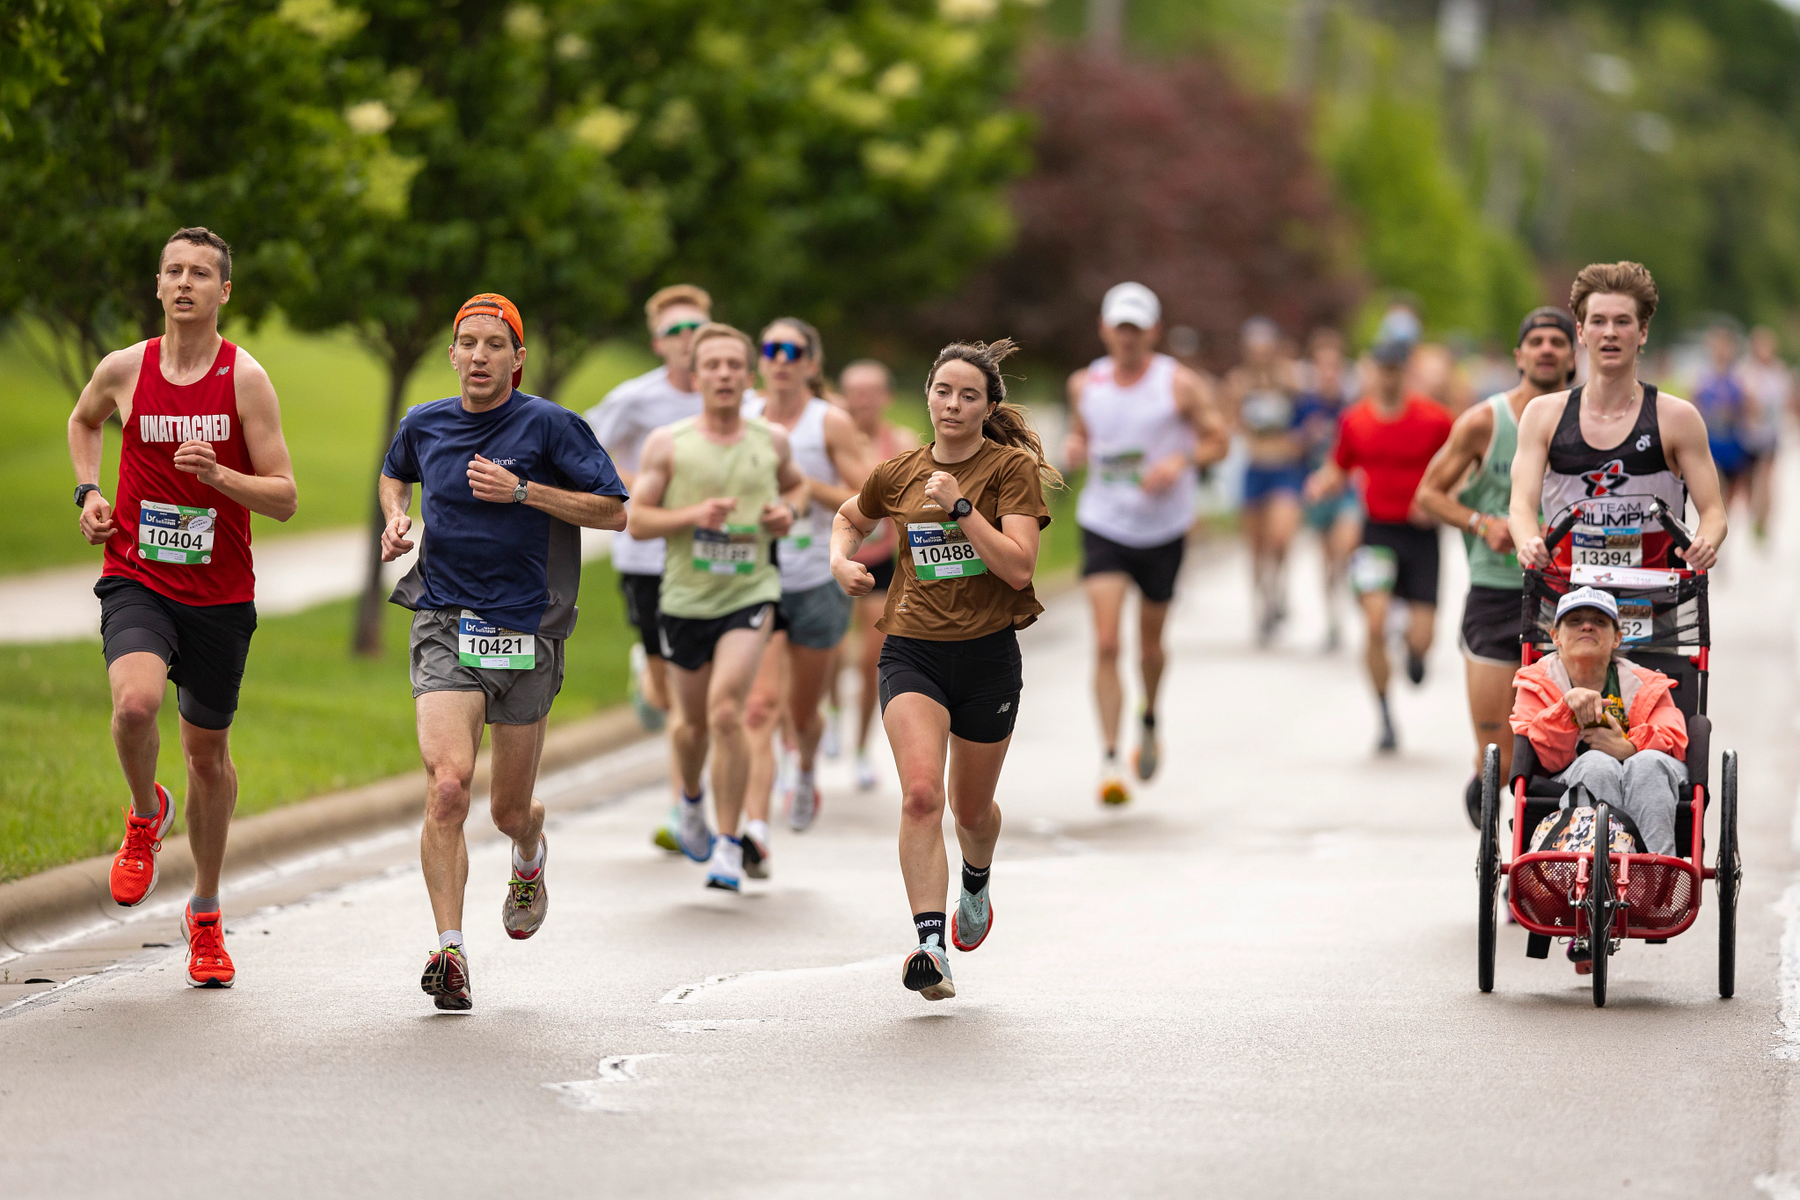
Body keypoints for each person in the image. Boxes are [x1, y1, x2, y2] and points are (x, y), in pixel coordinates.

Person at [379, 293, 627, 1011]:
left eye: (495, 344)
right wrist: (397, 518)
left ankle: (529, 849)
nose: (480, 356)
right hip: (445, 620)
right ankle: (450, 950)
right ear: (452, 354)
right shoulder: (423, 423)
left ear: (518, 359)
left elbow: (615, 509)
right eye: (468, 343)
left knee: (505, 809)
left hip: (528, 628)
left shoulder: (550, 425)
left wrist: (525, 492)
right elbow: (396, 470)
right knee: (449, 785)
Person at [69, 227, 298, 990]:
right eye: (174, 271)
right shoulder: (126, 367)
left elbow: (286, 496)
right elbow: (83, 420)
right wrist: (91, 492)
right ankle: (144, 814)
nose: (185, 282)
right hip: (137, 575)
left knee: (207, 756)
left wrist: (223, 475)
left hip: (220, 595)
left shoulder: (246, 379)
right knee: (134, 707)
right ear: (159, 286)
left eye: (201, 272)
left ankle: (204, 913)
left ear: (224, 291)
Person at [830, 339, 1055, 1002]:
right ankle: (930, 946)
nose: (952, 405)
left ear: (988, 408)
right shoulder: (897, 471)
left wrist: (961, 507)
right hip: (913, 650)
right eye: (942, 391)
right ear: (926, 394)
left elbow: (1019, 567)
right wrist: (841, 560)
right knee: (921, 795)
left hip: (987, 655)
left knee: (971, 810)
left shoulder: (1008, 470)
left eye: (968, 396)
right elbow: (849, 517)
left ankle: (977, 880)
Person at [627, 323, 810, 893]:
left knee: (728, 710)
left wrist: (788, 514)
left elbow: (797, 489)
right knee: (691, 725)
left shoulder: (770, 440)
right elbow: (636, 520)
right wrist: (692, 516)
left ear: (747, 374)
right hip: (683, 598)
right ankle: (689, 800)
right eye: (714, 366)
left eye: (735, 364)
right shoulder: (669, 443)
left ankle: (729, 845)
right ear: (696, 375)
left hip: (750, 591)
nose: (725, 374)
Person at [1063, 282, 1227, 806]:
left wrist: (1180, 461)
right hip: (1104, 523)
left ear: (1152, 332)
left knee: (1150, 647)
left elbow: (1218, 439)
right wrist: (1075, 447)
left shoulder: (1178, 384)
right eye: (1119, 328)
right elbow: (1081, 437)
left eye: (1137, 329)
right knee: (1107, 643)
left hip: (1162, 528)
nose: (1127, 338)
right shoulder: (1084, 385)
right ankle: (1111, 760)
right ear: (1105, 329)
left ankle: (1149, 717)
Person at [1416, 307, 1578, 824]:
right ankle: (1488, 781)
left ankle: (1528, 872)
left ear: (1573, 355)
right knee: (1502, 756)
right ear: (1519, 355)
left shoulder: (1592, 424)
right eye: (1537, 341)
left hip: (1566, 597)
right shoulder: (1486, 421)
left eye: (1558, 341)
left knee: (1556, 750)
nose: (1547, 349)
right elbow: (1428, 494)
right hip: (1496, 592)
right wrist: (1483, 523)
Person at [736, 318, 873, 867]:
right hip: (757, 578)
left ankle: (808, 766)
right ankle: (755, 829)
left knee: (802, 711)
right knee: (759, 707)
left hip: (817, 576)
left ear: (812, 364)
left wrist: (802, 485)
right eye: (771, 348)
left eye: (793, 350)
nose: (781, 358)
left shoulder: (829, 423)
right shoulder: (743, 416)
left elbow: (871, 499)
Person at [582, 284, 710, 853]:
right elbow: (581, 447)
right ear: (659, 342)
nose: (688, 341)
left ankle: (683, 805)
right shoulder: (635, 399)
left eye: (697, 329)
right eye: (677, 331)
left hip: (710, 559)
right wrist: (633, 485)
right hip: (646, 556)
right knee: (666, 693)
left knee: (695, 696)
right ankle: (645, 668)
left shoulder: (729, 395)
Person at [1509, 261, 1726, 578]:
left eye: (1622, 321)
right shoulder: (1543, 415)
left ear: (1643, 332)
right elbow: (1520, 506)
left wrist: (1704, 543)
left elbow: (1713, 512)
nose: (1610, 332)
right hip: (1570, 602)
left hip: (1653, 600)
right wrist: (1528, 542)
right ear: (1581, 332)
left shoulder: (1678, 418)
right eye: (1598, 321)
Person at [1511, 586, 1687, 973]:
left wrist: (1628, 747)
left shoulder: (1642, 681)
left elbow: (1673, 736)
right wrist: (1564, 710)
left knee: (1648, 764)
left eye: (1598, 621)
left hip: (1644, 772)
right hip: (1571, 778)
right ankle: (1588, 892)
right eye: (1574, 621)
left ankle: (1657, 882)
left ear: (1617, 637)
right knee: (1596, 766)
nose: (1586, 626)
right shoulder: (1537, 682)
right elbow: (1541, 754)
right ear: (1555, 636)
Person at [1304, 317, 1452, 752]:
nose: (1386, 378)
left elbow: (1462, 466)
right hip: (1377, 532)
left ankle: (1416, 652)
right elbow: (1340, 464)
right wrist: (1324, 481)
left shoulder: (1434, 420)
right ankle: (1385, 714)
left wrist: (1441, 501)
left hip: (1420, 534)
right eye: (1379, 369)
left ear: (1405, 372)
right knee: (1372, 625)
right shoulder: (1355, 421)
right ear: (1369, 371)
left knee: (1423, 638)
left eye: (1394, 369)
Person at [837, 358, 921, 791]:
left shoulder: (901, 442)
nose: (862, 402)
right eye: (855, 392)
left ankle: (860, 749)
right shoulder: (831, 437)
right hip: (834, 558)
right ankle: (827, 716)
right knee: (830, 653)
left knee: (872, 657)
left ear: (886, 397)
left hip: (884, 560)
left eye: (871, 393)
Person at [1224, 316, 1307, 648]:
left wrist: (1299, 438)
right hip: (1255, 467)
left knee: (1281, 537)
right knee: (1257, 547)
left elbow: (1309, 413)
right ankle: (1263, 605)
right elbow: (1228, 419)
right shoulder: (1238, 383)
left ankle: (1281, 586)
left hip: (1285, 467)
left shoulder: (1291, 380)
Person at [1295, 328, 1362, 651]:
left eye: (1334, 364)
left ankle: (1365, 605)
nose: (1328, 371)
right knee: (1326, 560)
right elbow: (1289, 443)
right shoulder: (1305, 403)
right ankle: (1332, 619)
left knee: (1345, 549)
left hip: (1346, 487)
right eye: (1322, 365)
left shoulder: (1351, 403)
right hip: (1316, 487)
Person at [1691, 322, 1751, 517]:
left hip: (1733, 444)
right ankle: (1714, 521)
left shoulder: (1739, 377)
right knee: (1716, 488)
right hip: (1710, 444)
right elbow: (1693, 406)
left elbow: (1750, 410)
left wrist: (1735, 412)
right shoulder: (1703, 377)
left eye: (1725, 346)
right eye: (1717, 345)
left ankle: (1724, 524)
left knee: (1731, 493)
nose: (1721, 350)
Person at [1740, 325, 1791, 541]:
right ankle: (1755, 514)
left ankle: (1764, 521)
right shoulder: (1746, 371)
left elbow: (1787, 402)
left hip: (1770, 435)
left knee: (1767, 480)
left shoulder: (1779, 372)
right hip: (1748, 436)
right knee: (1750, 483)